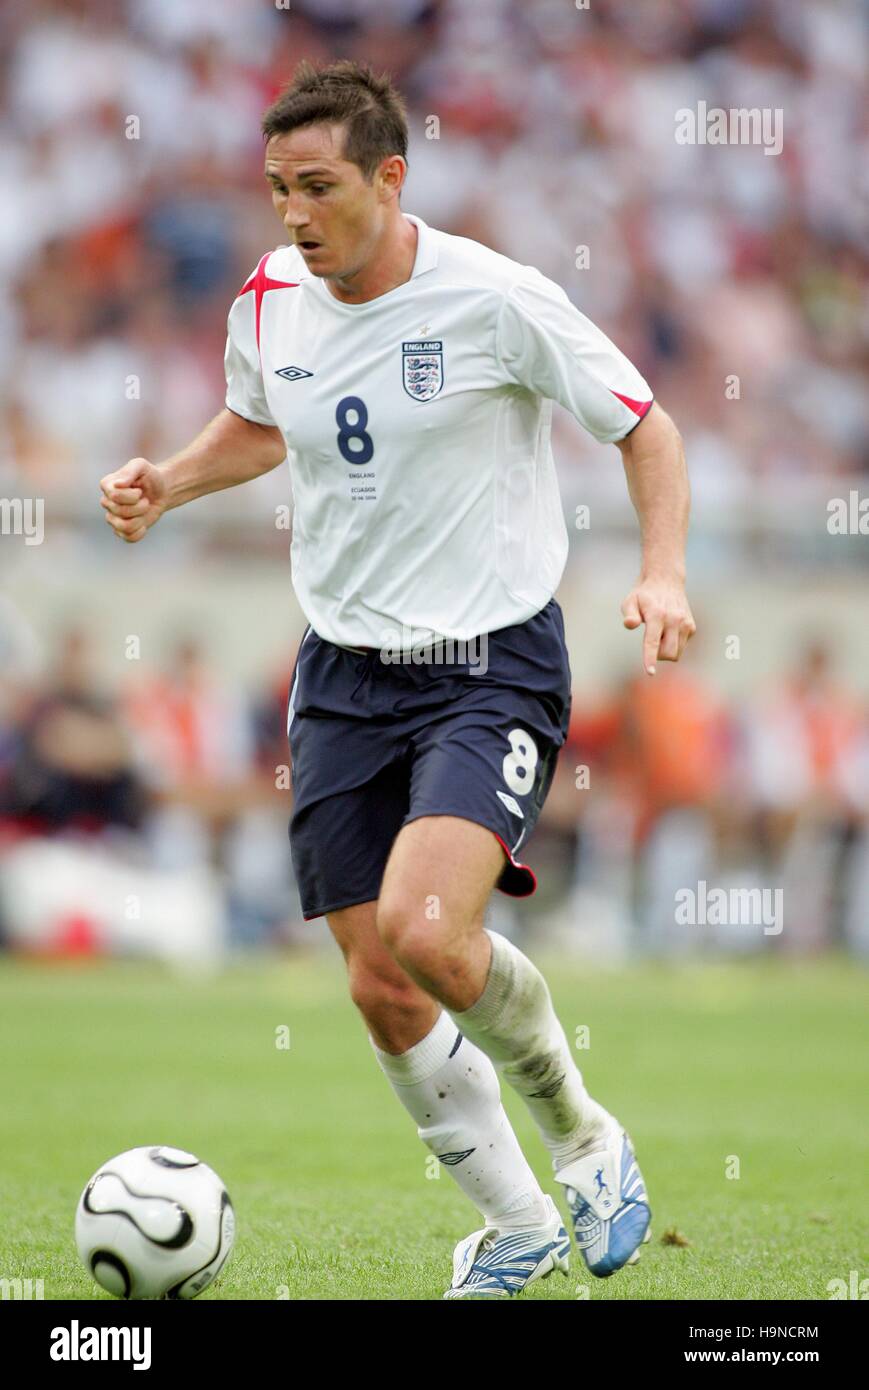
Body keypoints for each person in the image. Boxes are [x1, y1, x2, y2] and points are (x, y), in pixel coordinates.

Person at [99, 59, 695, 1299]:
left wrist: (665, 572)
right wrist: (171, 478)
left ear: (389, 176)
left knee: (430, 931)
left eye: (318, 187)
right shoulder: (268, 299)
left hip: (489, 666)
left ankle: (587, 1136)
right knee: (377, 978)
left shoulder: (494, 297)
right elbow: (267, 421)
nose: (295, 214)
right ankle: (518, 1224)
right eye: (276, 190)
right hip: (341, 671)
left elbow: (643, 422)